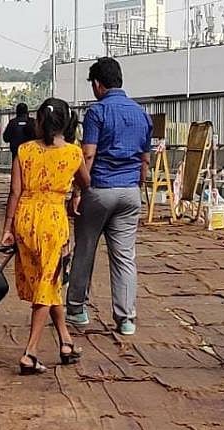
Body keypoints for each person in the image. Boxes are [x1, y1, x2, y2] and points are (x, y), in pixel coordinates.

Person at [2, 99, 91, 374]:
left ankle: (66, 342)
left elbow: (14, 192)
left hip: (25, 221)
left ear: (39, 121)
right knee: (47, 284)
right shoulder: (74, 154)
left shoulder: (24, 151)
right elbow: (86, 183)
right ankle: (30, 352)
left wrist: (7, 228)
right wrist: (74, 194)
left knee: (46, 282)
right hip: (53, 222)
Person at [66, 57, 153, 337]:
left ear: (97, 84)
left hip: (100, 188)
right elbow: (145, 159)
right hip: (130, 192)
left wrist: (78, 191)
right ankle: (126, 318)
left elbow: (88, 154)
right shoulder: (142, 114)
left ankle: (77, 308)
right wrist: (138, 186)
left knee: (86, 249)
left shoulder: (97, 112)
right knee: (124, 256)